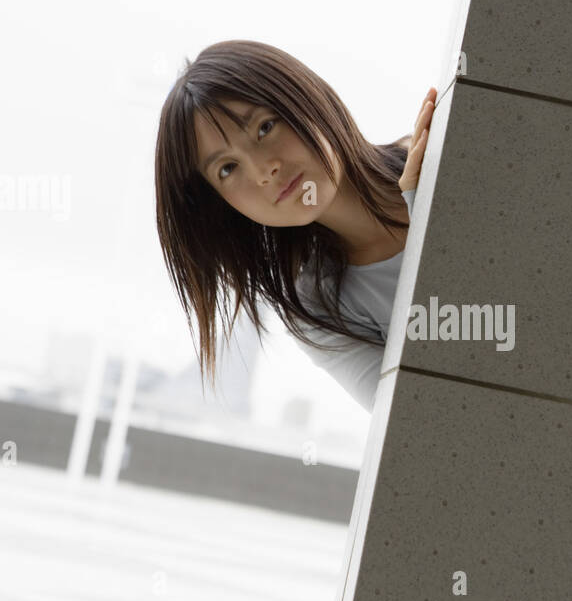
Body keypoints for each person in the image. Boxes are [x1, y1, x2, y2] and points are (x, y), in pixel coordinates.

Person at [154, 38, 434, 413]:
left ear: (304, 98)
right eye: (228, 169)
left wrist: (432, 201)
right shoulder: (321, 309)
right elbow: (423, 422)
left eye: (265, 127)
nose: (263, 170)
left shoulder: (437, 150)